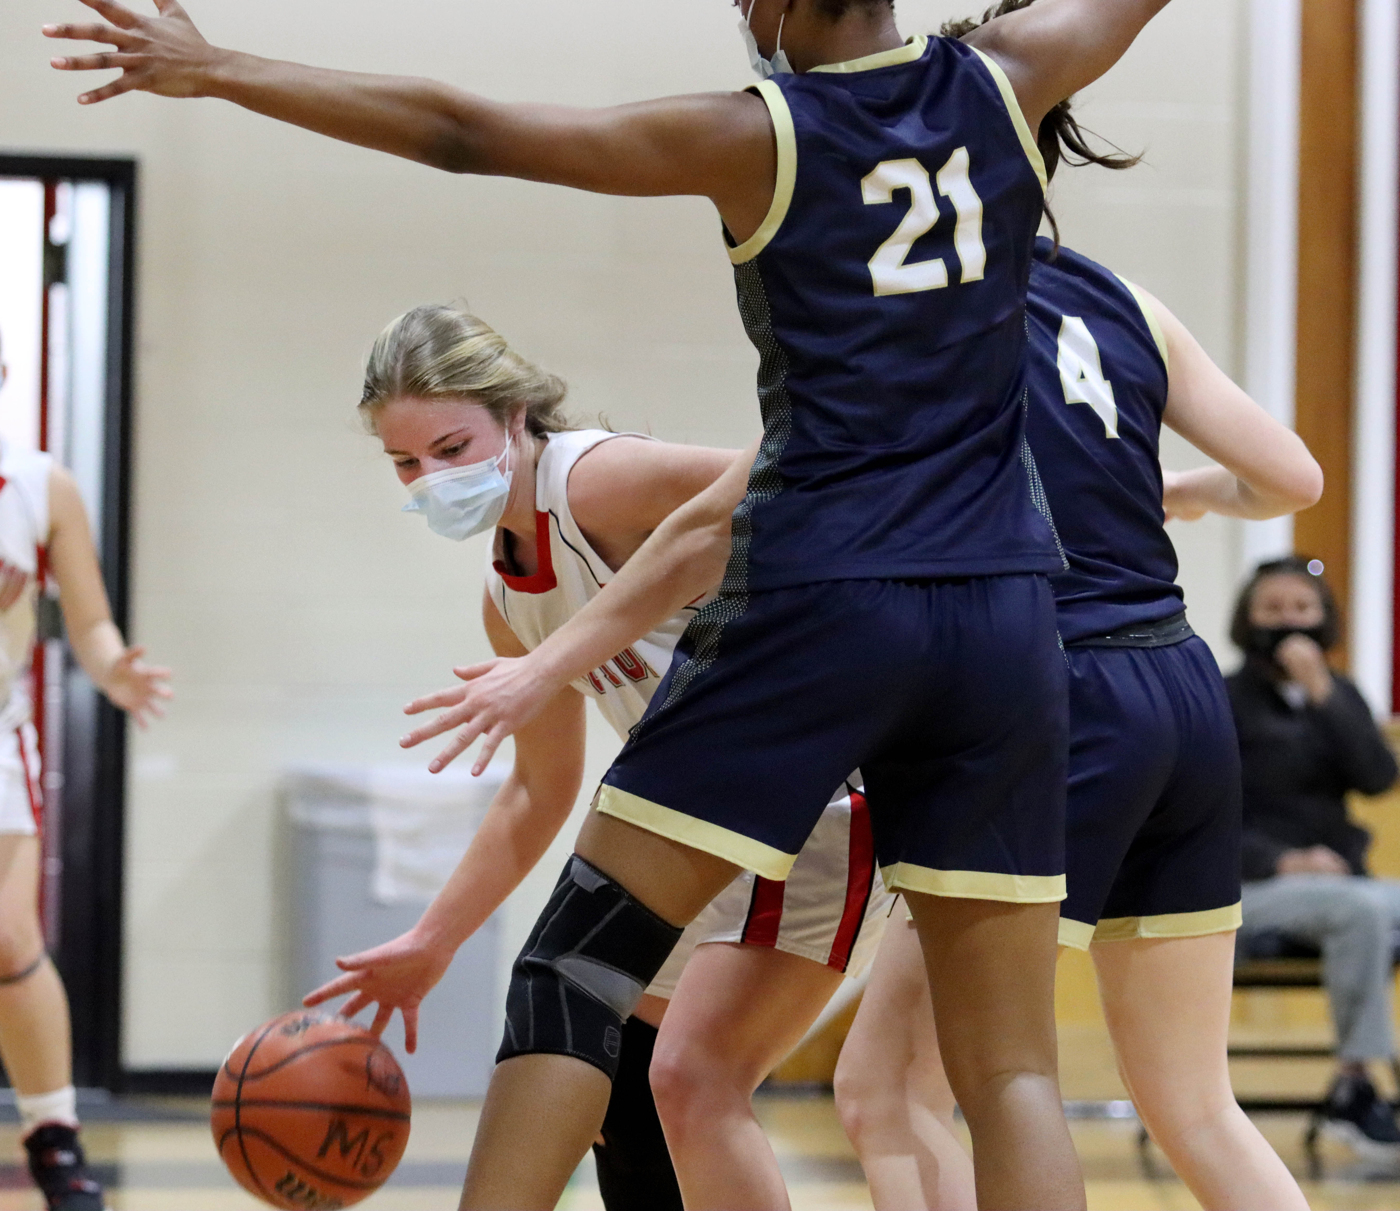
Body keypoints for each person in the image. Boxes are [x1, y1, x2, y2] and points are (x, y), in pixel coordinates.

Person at [45, 2, 1174, 1205]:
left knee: (570, 976)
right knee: (1007, 1069)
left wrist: (220, 71)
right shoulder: (1013, 73)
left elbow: (460, 130)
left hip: (826, 596)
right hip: (1005, 611)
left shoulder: (761, 135)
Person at [300, 304, 893, 1210]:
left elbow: (785, 474)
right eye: (407, 463)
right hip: (699, 829)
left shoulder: (593, 481)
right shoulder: (508, 596)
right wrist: (434, 940)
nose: (431, 479)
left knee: (689, 1078)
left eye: (452, 447)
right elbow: (538, 792)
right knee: (620, 1078)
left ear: (514, 417)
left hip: (806, 801)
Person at [0, 329, 172, 1210]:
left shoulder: (39, 485)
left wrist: (112, 669)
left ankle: (54, 1137)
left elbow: (90, 618)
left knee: (8, 937)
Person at [1228, 556, 1400, 1157]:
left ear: (1324, 619)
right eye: (1271, 609)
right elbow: (1199, 813)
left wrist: (1327, 696)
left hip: (1343, 887)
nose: (1287, 621)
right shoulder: (1223, 698)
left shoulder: (1340, 693)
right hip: (1251, 887)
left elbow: (1379, 779)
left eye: (1301, 608)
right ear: (1247, 620)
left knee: (1367, 905)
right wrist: (1284, 861)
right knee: (1361, 912)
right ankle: (1355, 1090)